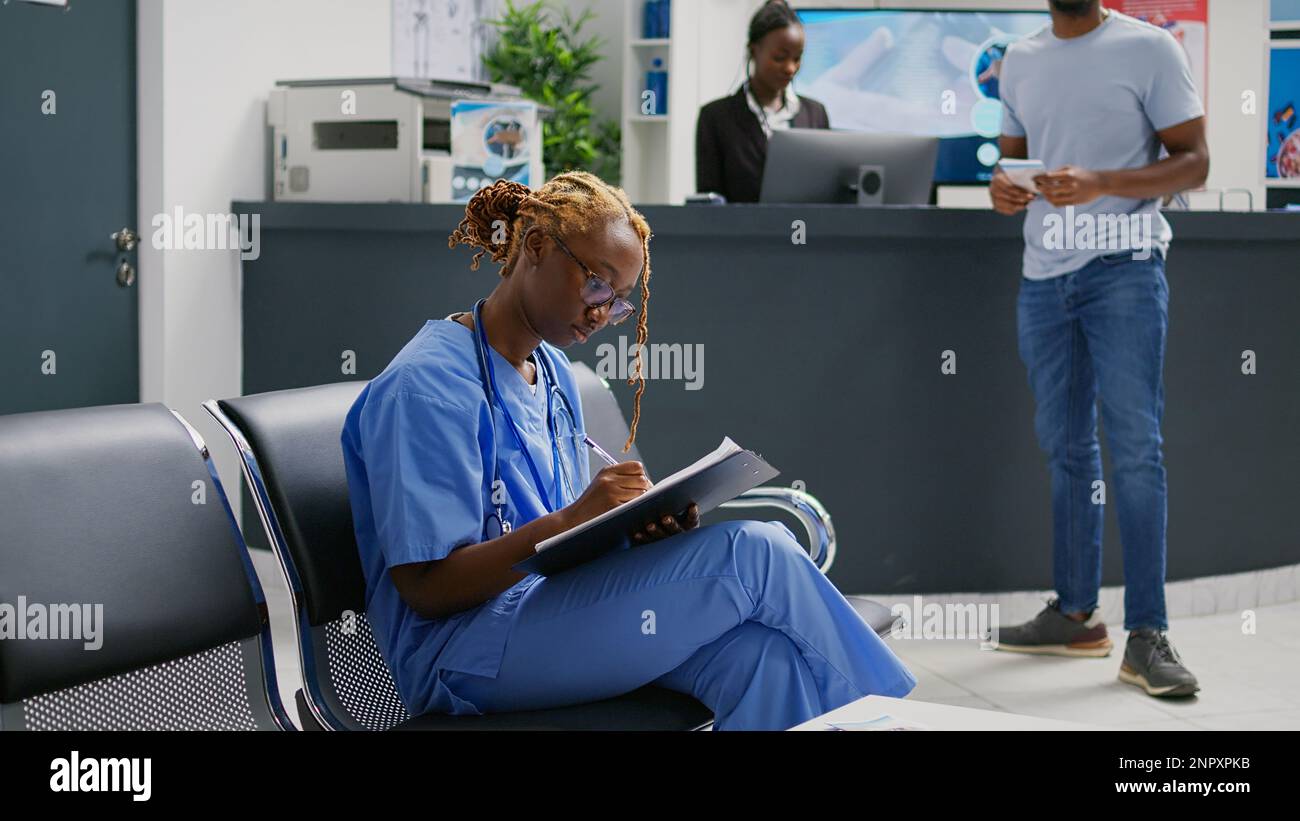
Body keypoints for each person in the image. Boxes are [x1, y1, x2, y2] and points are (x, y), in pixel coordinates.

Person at [340, 171, 916, 730]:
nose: (601, 313)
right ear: (536, 247)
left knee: (762, 659)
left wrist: (629, 530)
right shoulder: (427, 387)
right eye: (596, 284)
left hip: (546, 614)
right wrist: (574, 518)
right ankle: (903, 719)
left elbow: (558, 547)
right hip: (463, 653)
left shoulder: (553, 372)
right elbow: (428, 590)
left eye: (617, 302)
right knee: (754, 550)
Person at [987, 1, 1209, 698]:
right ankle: (1077, 615)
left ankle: (1148, 633)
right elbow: (1014, 167)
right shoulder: (1019, 59)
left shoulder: (1150, 50)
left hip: (1126, 271)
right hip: (1044, 279)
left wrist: (1104, 183)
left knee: (1135, 448)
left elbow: (1196, 163)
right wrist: (1005, 189)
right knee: (1067, 447)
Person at [695, 0, 830, 203]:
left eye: (797, 58)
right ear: (753, 51)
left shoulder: (815, 114)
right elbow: (709, 203)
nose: (790, 68)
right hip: (742, 232)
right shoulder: (715, 118)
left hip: (805, 231)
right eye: (780, 57)